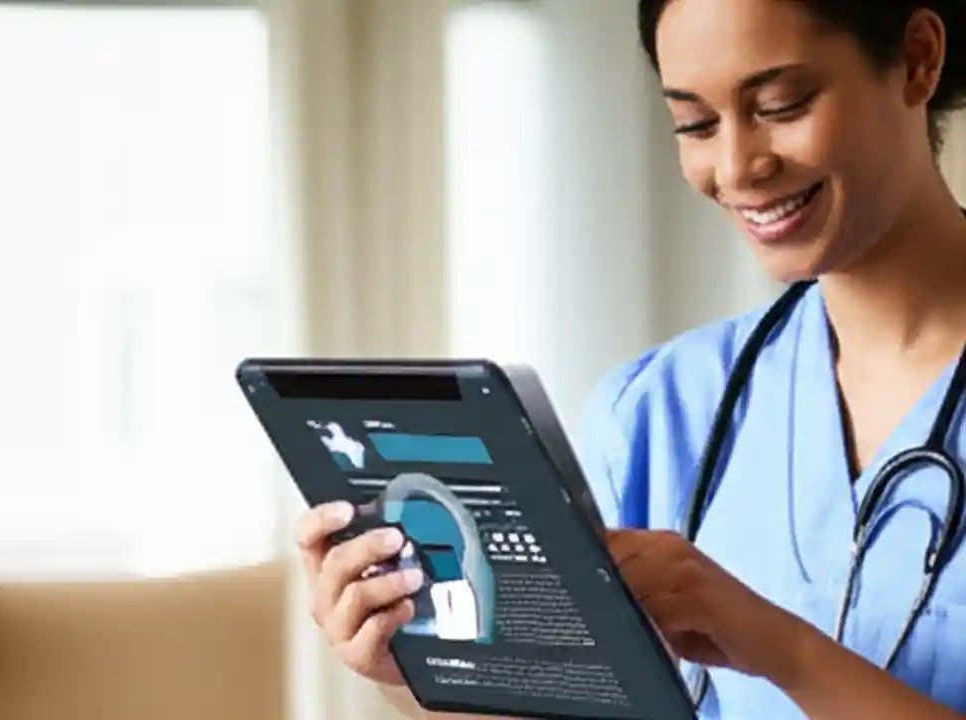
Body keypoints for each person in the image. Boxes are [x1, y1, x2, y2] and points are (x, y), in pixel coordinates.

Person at [294, 1, 966, 718]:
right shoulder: (661, 408)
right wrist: (418, 670)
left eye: (781, 104)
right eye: (696, 124)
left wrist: (774, 644)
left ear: (919, 59)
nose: (737, 166)